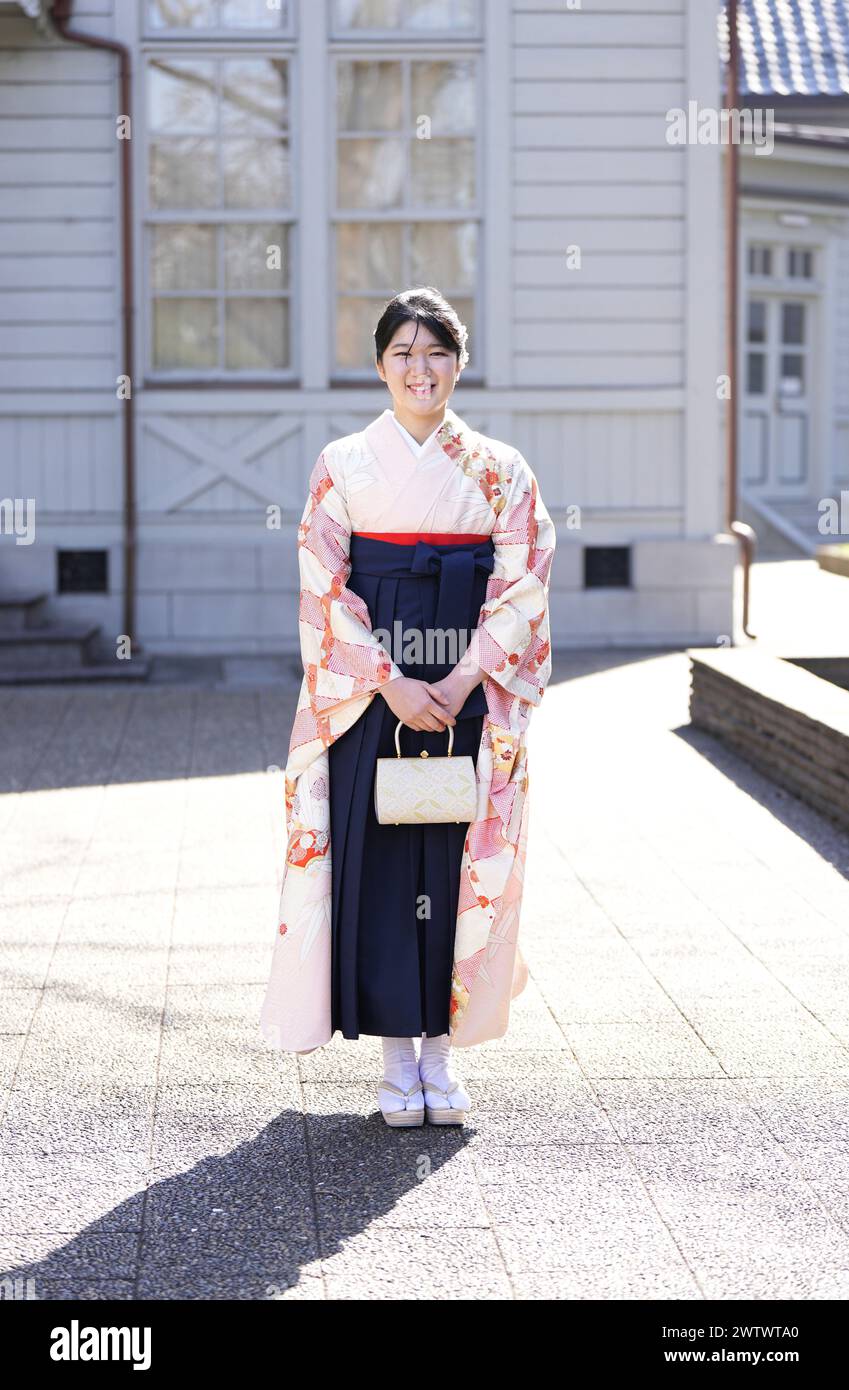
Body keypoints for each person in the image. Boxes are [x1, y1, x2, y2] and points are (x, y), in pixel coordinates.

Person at [259, 286, 556, 1129]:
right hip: (371, 694)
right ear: (380, 365)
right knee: (383, 873)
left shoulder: (501, 469)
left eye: (436, 354)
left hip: (467, 689)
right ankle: (397, 1066)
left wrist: (462, 681)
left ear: (458, 364)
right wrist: (388, 680)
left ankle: (441, 1060)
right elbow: (324, 582)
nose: (419, 371)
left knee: (455, 865)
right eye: (403, 354)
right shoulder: (343, 463)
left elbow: (523, 581)